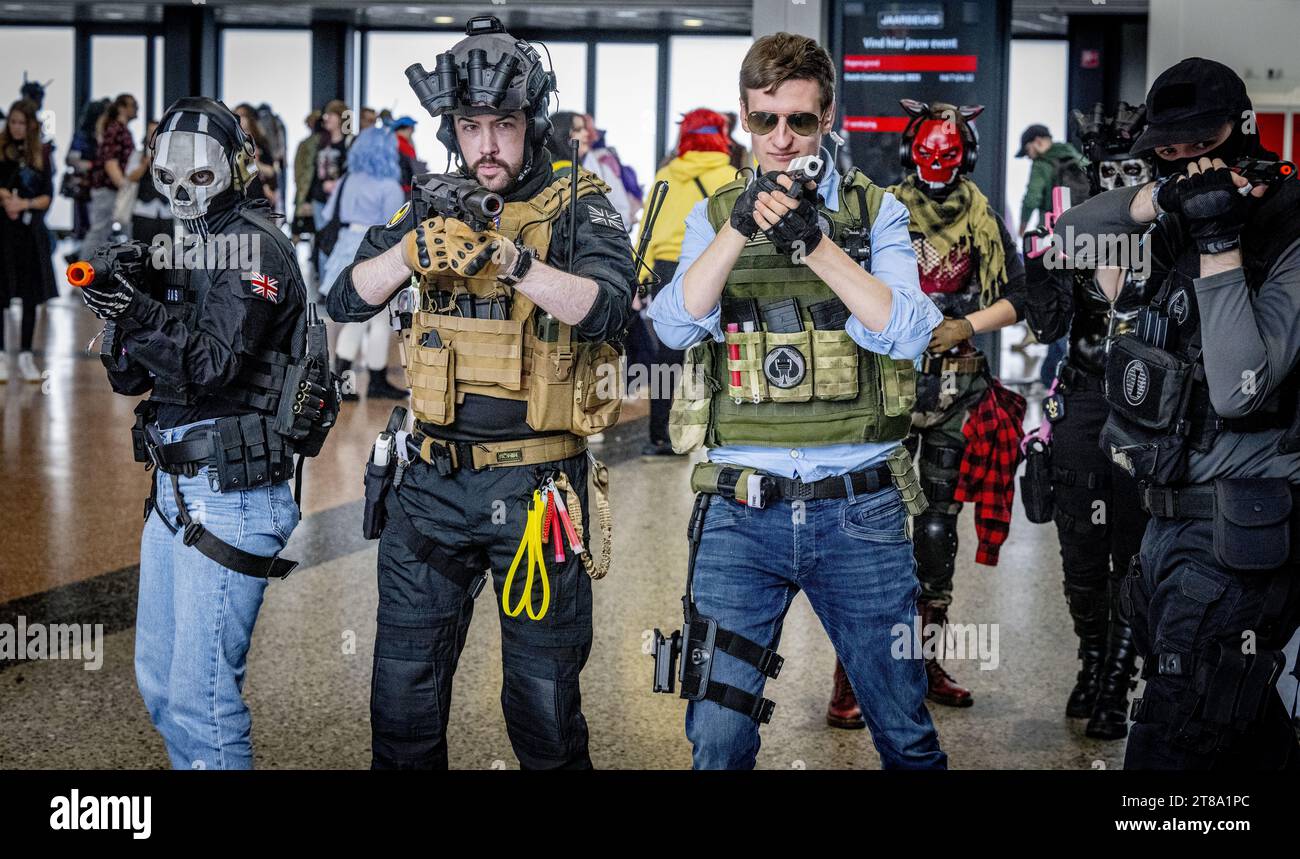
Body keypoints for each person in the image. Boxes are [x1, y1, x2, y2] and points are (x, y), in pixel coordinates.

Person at [325, 15, 634, 770]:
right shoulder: (428, 201)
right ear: (451, 129)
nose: (488, 144)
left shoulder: (578, 201)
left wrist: (514, 262)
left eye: (504, 123)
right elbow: (343, 300)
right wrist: (408, 249)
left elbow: (609, 305)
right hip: (427, 486)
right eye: (471, 125)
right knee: (402, 702)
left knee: (542, 708)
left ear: (533, 120)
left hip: (536, 494)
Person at [647, 32, 946, 770]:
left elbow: (908, 331)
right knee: (716, 741)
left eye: (800, 121)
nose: (782, 139)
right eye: (764, 121)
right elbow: (672, 324)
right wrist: (741, 226)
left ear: (828, 117)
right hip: (740, 513)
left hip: (862, 511)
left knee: (904, 732)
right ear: (744, 122)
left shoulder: (876, 212)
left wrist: (816, 244)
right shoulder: (713, 213)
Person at [76, 97, 335, 769]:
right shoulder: (191, 248)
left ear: (237, 169)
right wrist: (121, 311)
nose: (181, 192)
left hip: (231, 491)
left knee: (201, 699)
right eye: (169, 177)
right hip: (175, 487)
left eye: (199, 176)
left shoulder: (258, 248)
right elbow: (131, 381)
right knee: (162, 685)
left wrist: (136, 310)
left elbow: (213, 364)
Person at [1056, 57, 1300, 769]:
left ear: (1243, 128)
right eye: (1172, 148)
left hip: (1239, 531)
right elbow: (1071, 237)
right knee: (1242, 724)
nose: (1191, 159)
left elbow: (1239, 388)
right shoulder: (1166, 216)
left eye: (1205, 141)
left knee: (1170, 739)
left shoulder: (1287, 225)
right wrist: (1158, 201)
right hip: (1163, 521)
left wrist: (1221, 244)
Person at [827, 98, 1028, 724]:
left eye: (949, 153)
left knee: (938, 529)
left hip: (956, 392)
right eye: (927, 151)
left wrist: (962, 323)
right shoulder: (882, 210)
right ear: (911, 150)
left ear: (964, 154)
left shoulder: (983, 216)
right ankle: (853, 676)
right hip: (886, 391)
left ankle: (924, 659)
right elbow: (842, 287)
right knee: (870, 529)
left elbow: (1022, 296)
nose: (937, 163)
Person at [1020, 102, 1155, 739]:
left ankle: (1119, 683)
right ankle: (1092, 662)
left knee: (1132, 551)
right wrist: (1045, 260)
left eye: (1130, 167)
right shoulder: (1073, 242)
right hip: (1078, 404)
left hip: (1147, 415)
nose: (1116, 180)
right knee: (1079, 550)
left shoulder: (1170, 240)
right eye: (1106, 168)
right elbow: (1044, 322)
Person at [635, 108, 737, 457]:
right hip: (717, 265)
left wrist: (639, 276)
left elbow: (648, 227)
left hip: (667, 267)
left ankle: (661, 436)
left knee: (668, 355)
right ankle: (725, 431)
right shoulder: (730, 175)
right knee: (725, 349)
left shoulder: (667, 173)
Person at [318, 126, 407, 400]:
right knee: (379, 321)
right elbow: (393, 226)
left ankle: (343, 381)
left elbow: (329, 212)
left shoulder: (348, 179)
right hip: (374, 250)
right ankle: (375, 380)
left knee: (354, 319)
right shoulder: (389, 186)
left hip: (346, 246)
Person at [0, 99, 57, 383]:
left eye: (21, 122)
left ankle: (25, 355)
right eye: (12, 122)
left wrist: (24, 204)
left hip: (30, 232)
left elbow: (48, 194)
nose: (16, 128)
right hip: (4, 232)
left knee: (31, 295)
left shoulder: (42, 154)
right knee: (2, 292)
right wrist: (7, 199)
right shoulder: (2, 150)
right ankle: (1, 354)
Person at [83, 93, 146, 252]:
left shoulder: (119, 129)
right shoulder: (115, 129)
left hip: (112, 188)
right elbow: (110, 161)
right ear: (122, 108)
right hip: (108, 189)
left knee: (105, 231)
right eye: (133, 105)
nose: (136, 109)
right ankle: (83, 270)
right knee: (99, 231)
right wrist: (123, 185)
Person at [1017, 123, 1088, 236]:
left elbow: (1032, 198)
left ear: (1038, 142)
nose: (1028, 156)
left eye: (1027, 150)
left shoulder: (1041, 163)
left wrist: (1022, 227)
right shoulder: (1071, 152)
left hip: (1055, 227)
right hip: (1085, 222)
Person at [129, 120, 173, 245]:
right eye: (151, 132)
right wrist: (145, 163)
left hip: (165, 211)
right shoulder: (138, 155)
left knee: (164, 253)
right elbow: (131, 177)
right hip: (143, 209)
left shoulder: (169, 155)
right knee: (142, 250)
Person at [234, 103, 279, 208]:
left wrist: (253, 162)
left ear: (250, 119)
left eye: (242, 115)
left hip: (258, 198)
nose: (238, 118)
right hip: (238, 200)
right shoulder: (231, 143)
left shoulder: (260, 143)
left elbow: (271, 172)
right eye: (235, 115)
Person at [292, 109, 321, 236]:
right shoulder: (306, 144)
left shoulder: (310, 143)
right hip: (307, 186)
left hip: (310, 187)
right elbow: (298, 168)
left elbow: (298, 169)